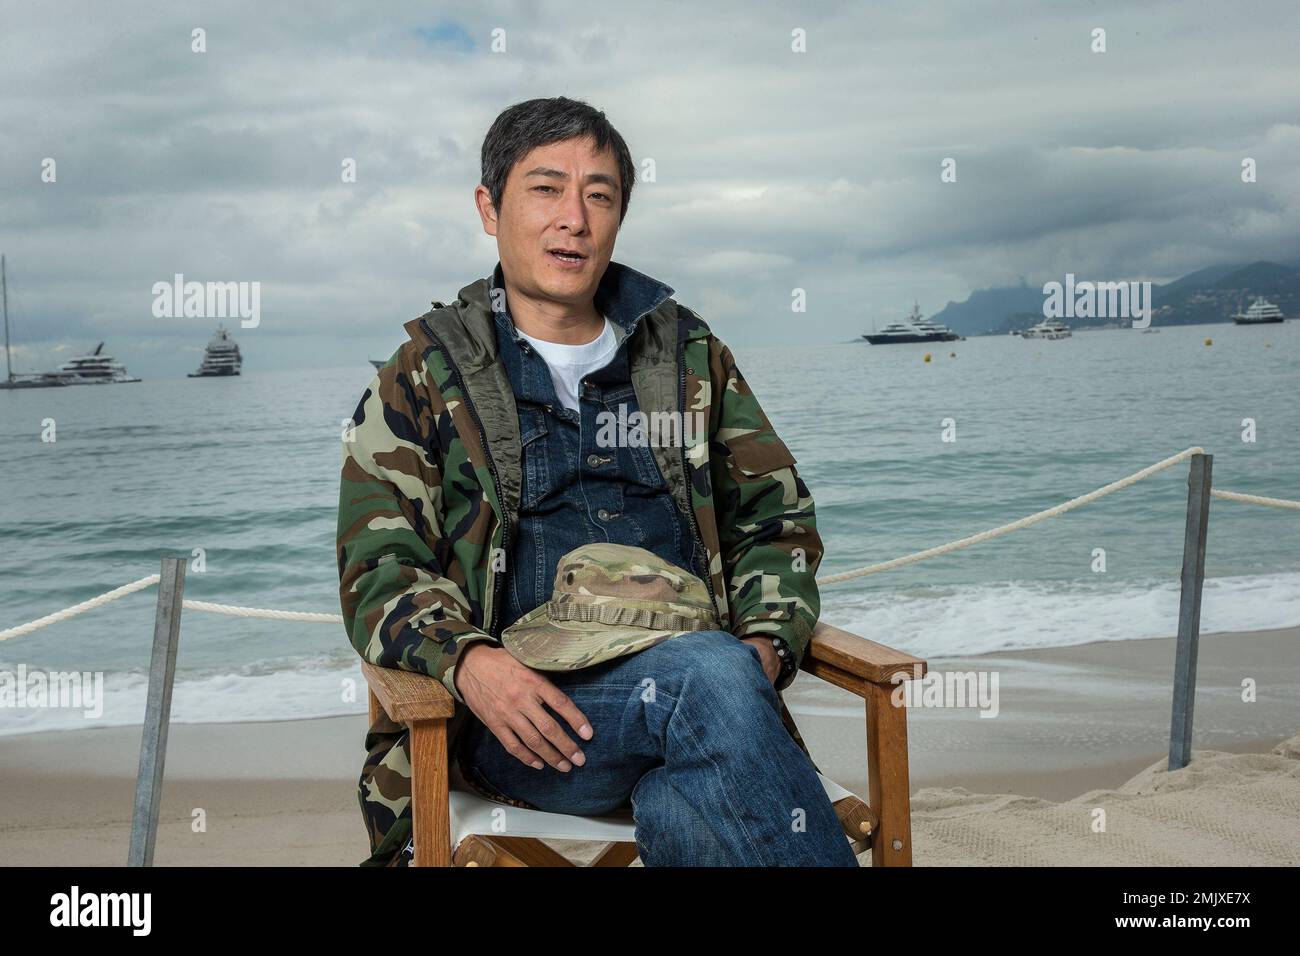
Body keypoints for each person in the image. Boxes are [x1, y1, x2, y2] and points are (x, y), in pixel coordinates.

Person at [336, 96, 857, 866]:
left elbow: (774, 521)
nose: (573, 218)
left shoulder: (688, 358)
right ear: (490, 207)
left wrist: (765, 649)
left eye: (600, 195)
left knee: (687, 802)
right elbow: (379, 571)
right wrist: (470, 664)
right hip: (524, 718)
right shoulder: (422, 376)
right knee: (703, 682)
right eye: (546, 189)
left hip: (703, 690)